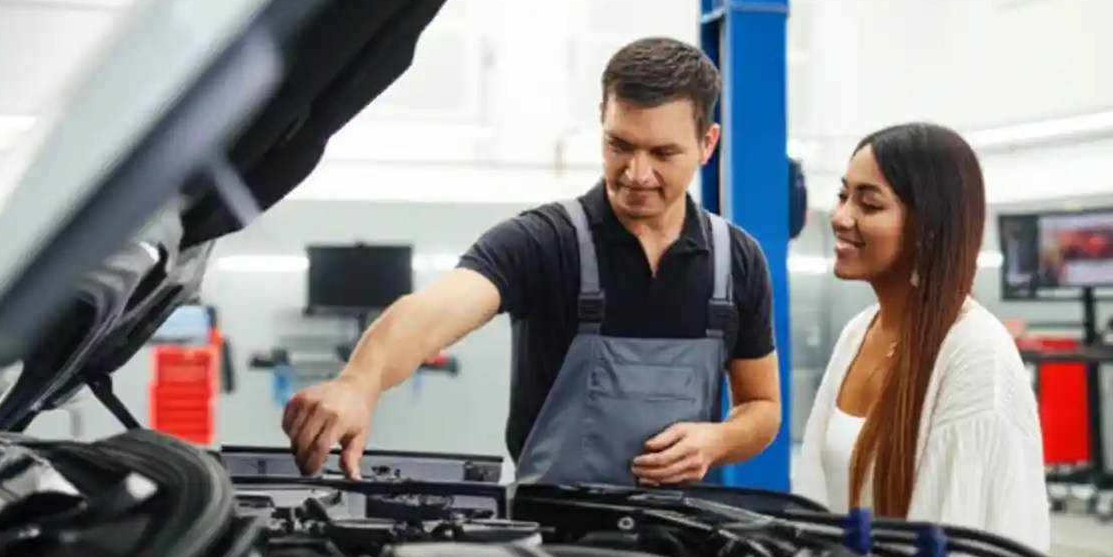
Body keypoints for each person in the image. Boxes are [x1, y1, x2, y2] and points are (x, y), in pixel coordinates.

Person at [282, 36, 782, 486]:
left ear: (707, 144)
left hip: (684, 547)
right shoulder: (547, 243)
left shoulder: (735, 260)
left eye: (663, 153)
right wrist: (358, 382)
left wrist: (716, 442)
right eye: (619, 145)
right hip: (552, 538)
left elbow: (761, 408)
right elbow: (433, 311)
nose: (637, 173)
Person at [793, 123, 1050, 551]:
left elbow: (956, 547)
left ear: (928, 227)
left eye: (869, 204)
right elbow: (814, 498)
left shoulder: (975, 356)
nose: (840, 217)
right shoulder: (859, 333)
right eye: (843, 196)